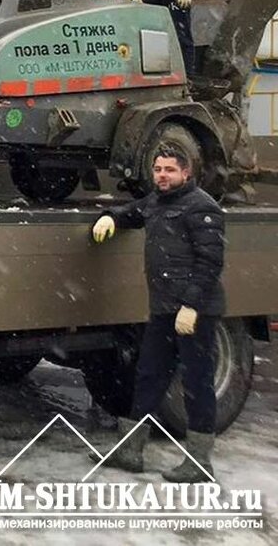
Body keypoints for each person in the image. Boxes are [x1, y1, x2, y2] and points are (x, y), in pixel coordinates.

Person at [91, 146, 225, 481]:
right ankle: (131, 450)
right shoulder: (156, 201)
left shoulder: (202, 207)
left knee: (197, 383)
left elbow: (210, 263)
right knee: (149, 376)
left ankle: (198, 462)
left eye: (169, 170)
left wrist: (192, 306)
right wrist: (112, 217)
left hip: (195, 312)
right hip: (164, 310)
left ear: (186, 173)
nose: (162, 175)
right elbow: (133, 212)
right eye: (158, 169)